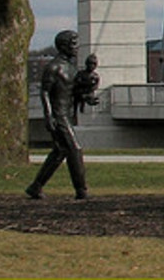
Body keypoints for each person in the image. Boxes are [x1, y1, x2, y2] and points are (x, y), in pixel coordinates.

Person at [26, 30, 88, 200]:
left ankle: (35, 186)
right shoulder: (53, 67)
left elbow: (74, 92)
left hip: (66, 114)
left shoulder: (72, 68)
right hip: (58, 115)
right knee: (75, 149)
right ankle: (81, 190)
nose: (77, 47)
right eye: (73, 44)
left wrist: (87, 96)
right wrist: (48, 115)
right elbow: (44, 92)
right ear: (63, 46)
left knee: (59, 152)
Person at [71, 53, 101, 123]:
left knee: (94, 100)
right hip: (78, 94)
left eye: (94, 64)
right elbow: (75, 84)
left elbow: (95, 86)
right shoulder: (81, 74)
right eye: (90, 64)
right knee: (76, 103)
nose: (92, 66)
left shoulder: (95, 76)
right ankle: (75, 115)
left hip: (88, 94)